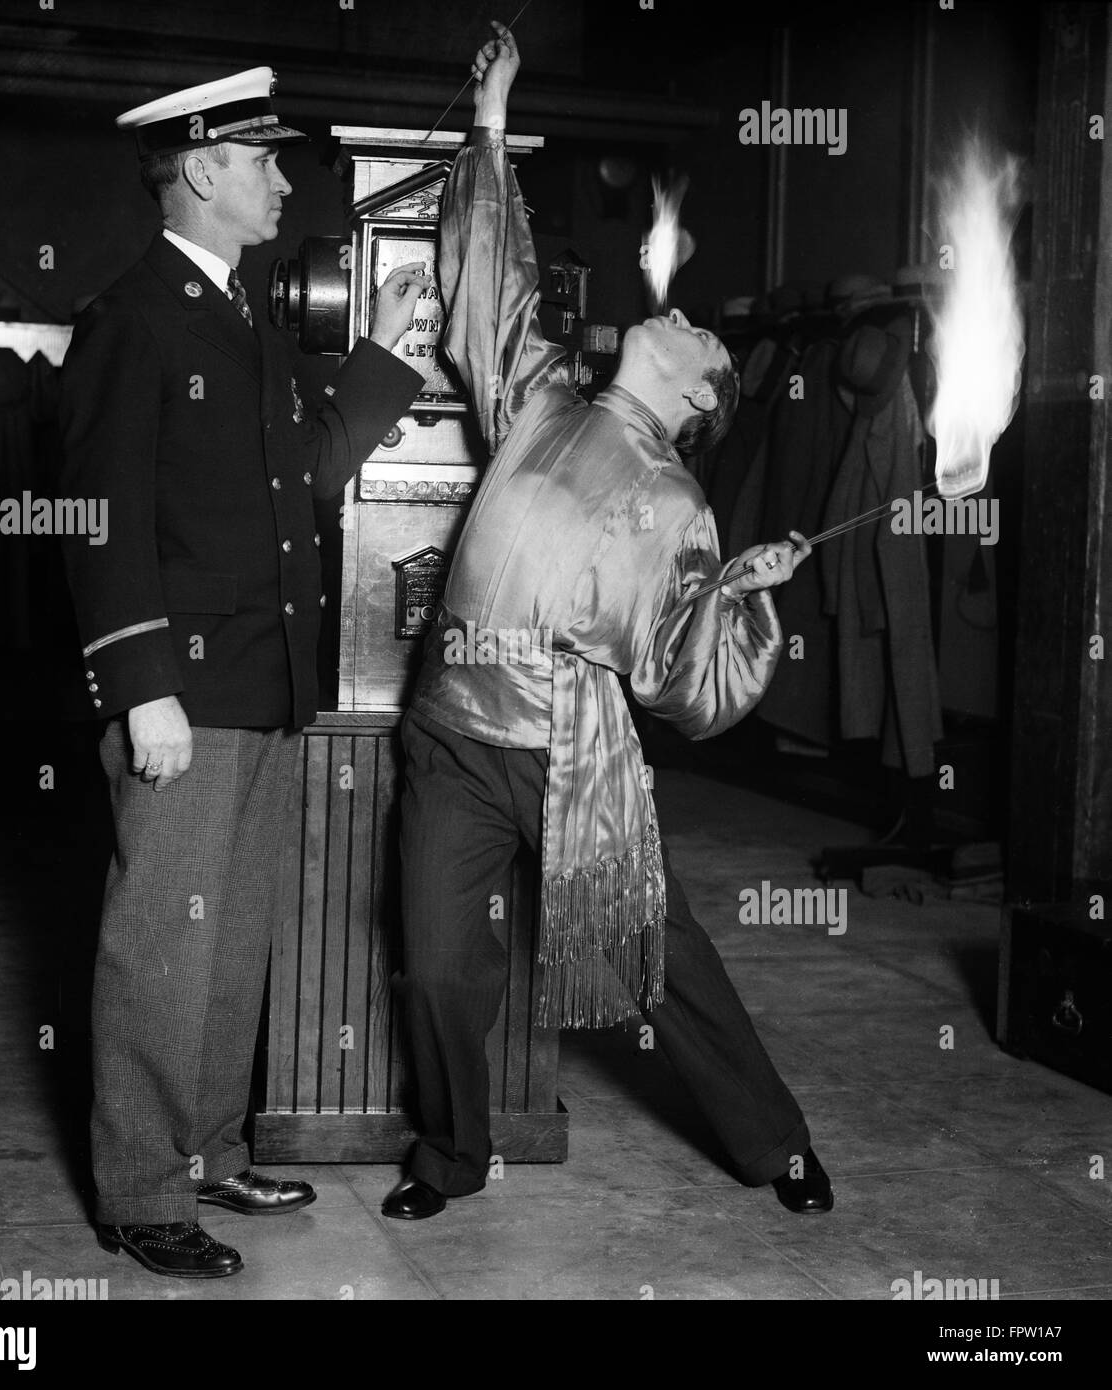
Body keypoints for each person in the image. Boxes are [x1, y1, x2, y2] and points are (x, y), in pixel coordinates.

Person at [383, 24, 834, 1222]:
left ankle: (772, 1138)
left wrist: (734, 596)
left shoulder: (677, 502)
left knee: (659, 963)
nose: (682, 320)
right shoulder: (539, 400)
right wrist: (490, 124)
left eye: (702, 341)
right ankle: (452, 1152)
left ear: (698, 400)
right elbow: (493, 285)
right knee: (434, 963)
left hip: (567, 764)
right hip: (447, 738)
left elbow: (685, 675)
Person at [59, 66, 426, 1277]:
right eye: (263, 159)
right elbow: (97, 513)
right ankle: (139, 1190)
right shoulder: (134, 317)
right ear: (203, 169)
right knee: (164, 941)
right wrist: (139, 680)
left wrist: (390, 349)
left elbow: (307, 471)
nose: (283, 177)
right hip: (184, 691)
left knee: (232, 938)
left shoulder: (241, 311)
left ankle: (208, 1151)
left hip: (264, 683)